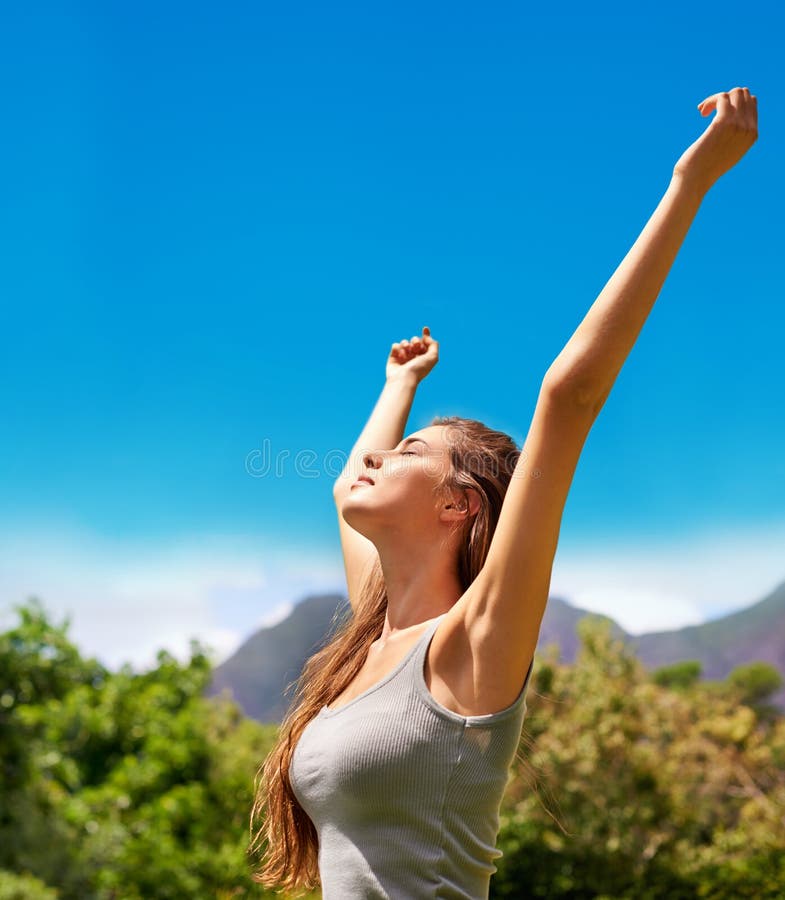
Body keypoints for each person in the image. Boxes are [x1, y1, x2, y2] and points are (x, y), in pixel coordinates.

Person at [249, 87, 758, 898]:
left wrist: (689, 183)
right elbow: (349, 479)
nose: (376, 462)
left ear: (459, 504)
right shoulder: (373, 638)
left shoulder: (474, 643)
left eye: (407, 453)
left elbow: (567, 396)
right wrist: (398, 387)